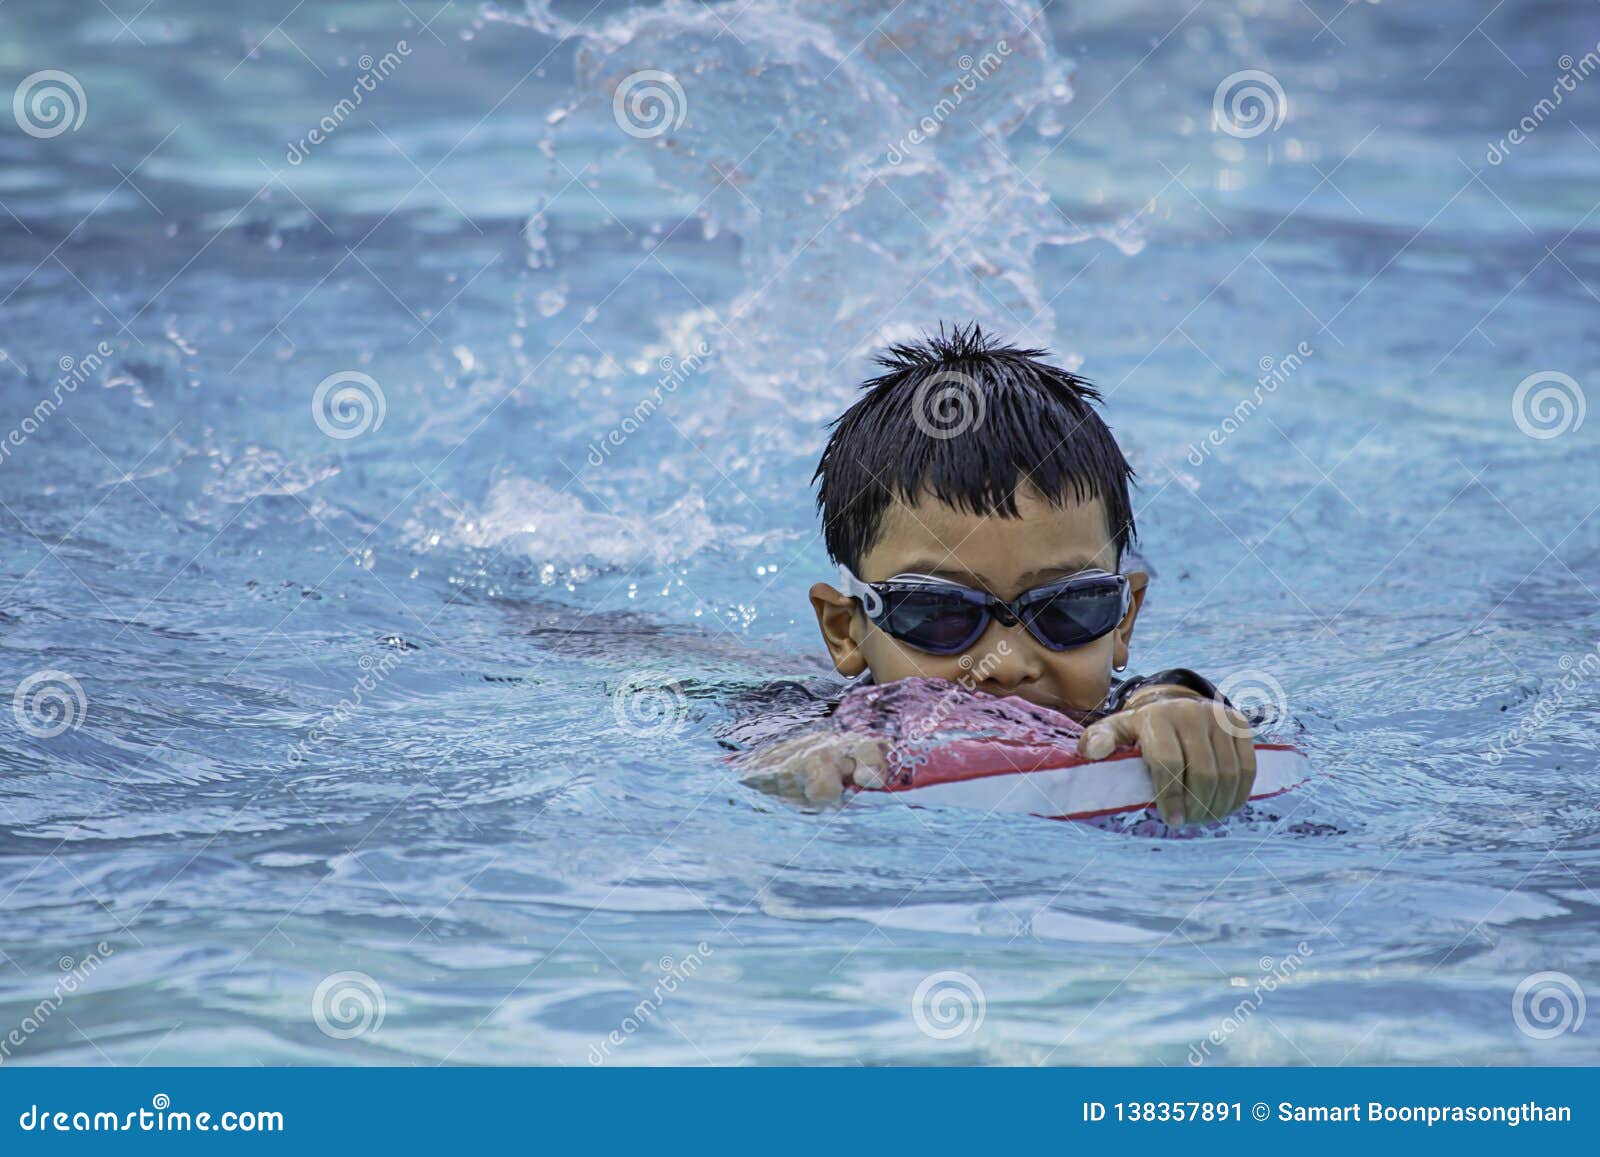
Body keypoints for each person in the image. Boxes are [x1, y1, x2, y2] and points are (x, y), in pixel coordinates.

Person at [737, 323, 1257, 828]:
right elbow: (760, 744)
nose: (1005, 665)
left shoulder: (1123, 717)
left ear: (1122, 623)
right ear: (845, 631)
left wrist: (1180, 711)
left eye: (1069, 608)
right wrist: (791, 763)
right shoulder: (814, 723)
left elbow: (1164, 696)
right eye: (940, 613)